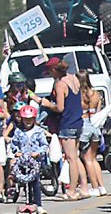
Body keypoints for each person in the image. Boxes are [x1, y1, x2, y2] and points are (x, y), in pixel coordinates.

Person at [36, 56, 89, 200]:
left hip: (67, 123)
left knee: (71, 158)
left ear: (54, 70)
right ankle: (84, 188)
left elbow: (59, 108)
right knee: (76, 157)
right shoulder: (74, 78)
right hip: (78, 121)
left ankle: (72, 190)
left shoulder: (60, 84)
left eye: (50, 72)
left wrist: (46, 104)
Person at [3, 104, 52, 214]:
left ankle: (38, 205)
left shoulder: (38, 131)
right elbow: (14, 144)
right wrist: (17, 152)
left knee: (35, 183)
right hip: (23, 162)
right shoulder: (19, 132)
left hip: (35, 162)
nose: (28, 122)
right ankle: (28, 202)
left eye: (30, 119)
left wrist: (38, 153)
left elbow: (44, 145)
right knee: (25, 183)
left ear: (34, 119)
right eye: (26, 119)